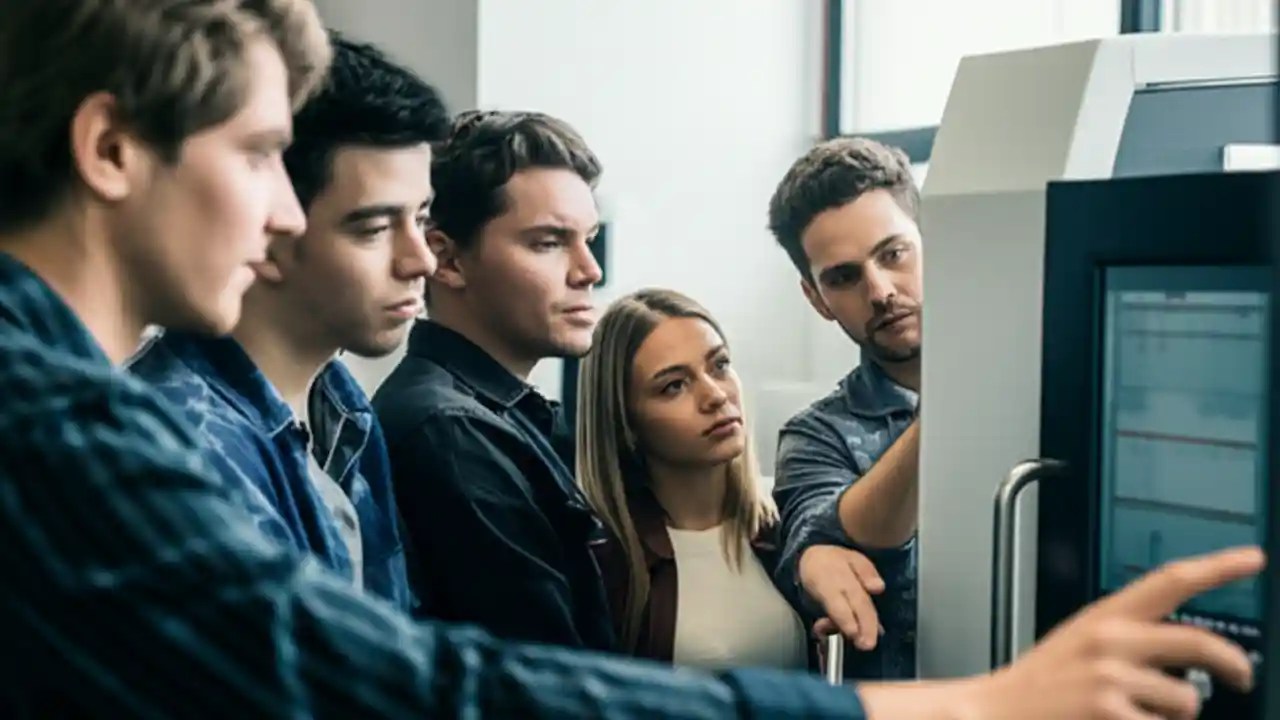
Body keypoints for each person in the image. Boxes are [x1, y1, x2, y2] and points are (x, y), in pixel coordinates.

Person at [0, 2, 1263, 717]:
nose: (283, 215)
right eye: (259, 157)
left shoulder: (327, 409)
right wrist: (965, 709)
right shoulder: (85, 428)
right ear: (111, 150)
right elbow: (415, 687)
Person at [128, 33, 447, 610]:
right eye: (374, 228)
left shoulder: (343, 406)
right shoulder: (183, 439)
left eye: (421, 217)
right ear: (271, 223)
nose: (420, 259)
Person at [372, 110, 614, 650]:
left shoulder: (507, 416)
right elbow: (548, 680)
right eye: (549, 242)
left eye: (589, 238)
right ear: (446, 259)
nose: (589, 270)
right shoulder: (450, 431)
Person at [580, 287, 883, 673]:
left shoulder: (785, 533)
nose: (715, 396)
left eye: (719, 365)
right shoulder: (604, 565)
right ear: (625, 423)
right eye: (674, 385)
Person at [766, 137, 926, 679]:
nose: (880, 291)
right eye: (844, 276)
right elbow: (817, 535)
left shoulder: (1045, 380)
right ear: (817, 298)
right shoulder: (817, 434)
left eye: (894, 254)